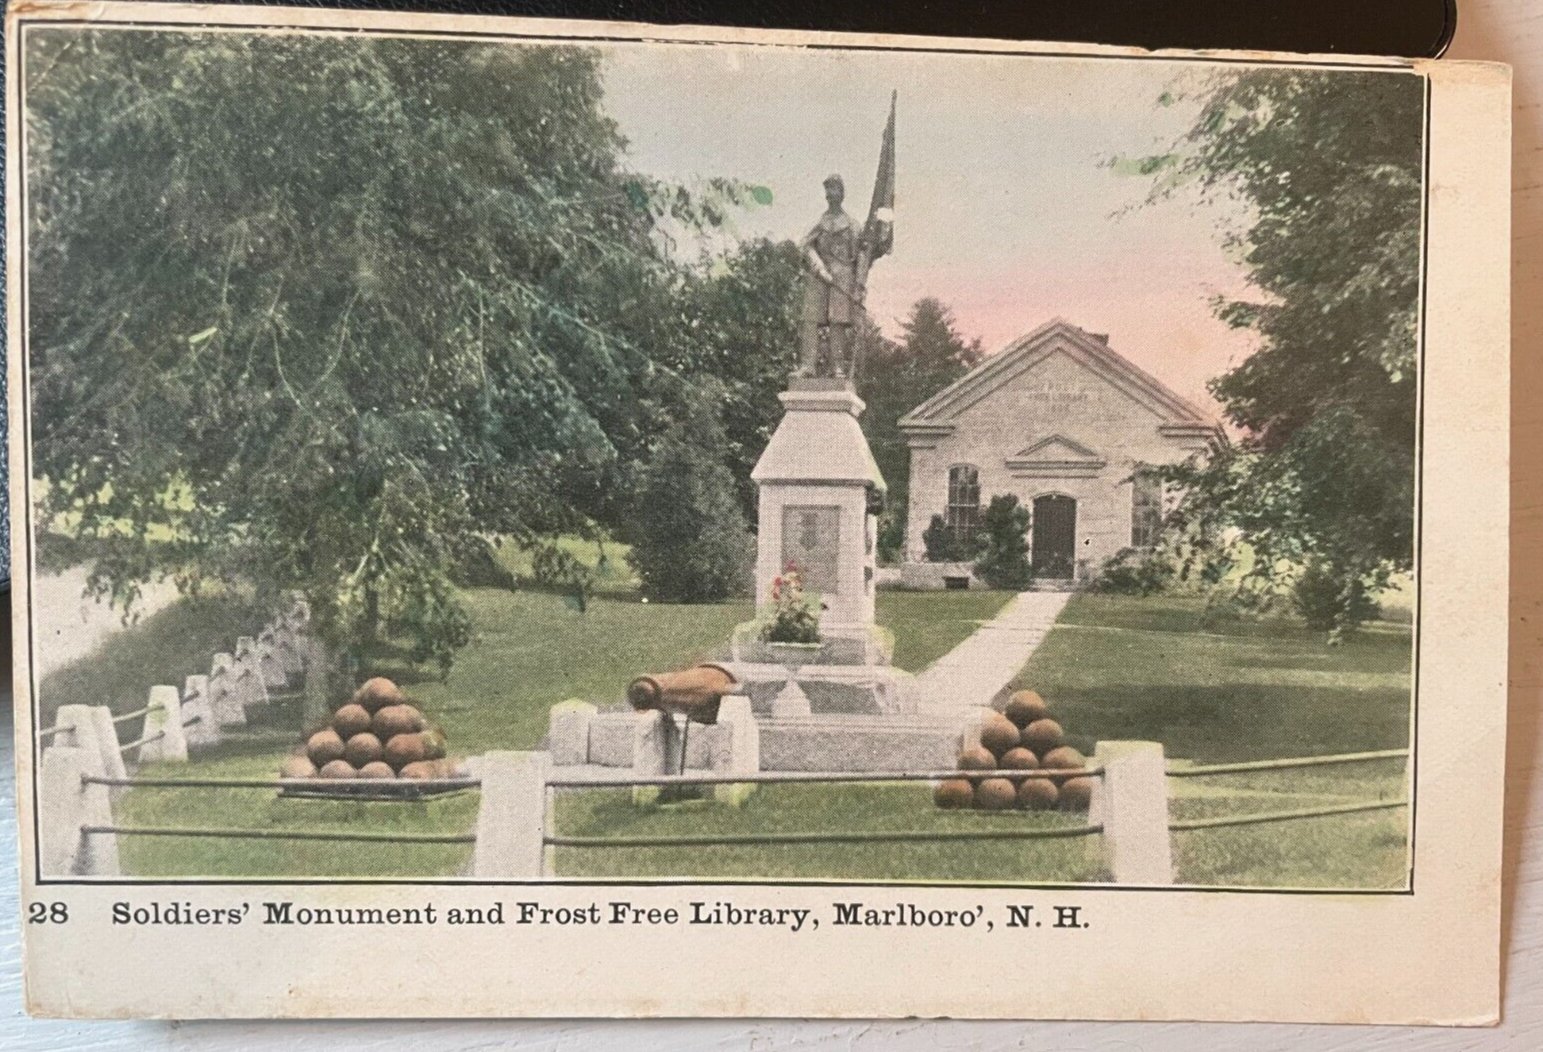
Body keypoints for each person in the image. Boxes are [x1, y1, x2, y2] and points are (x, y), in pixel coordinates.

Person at [798, 174, 874, 379]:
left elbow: (861, 256)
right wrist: (819, 268)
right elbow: (805, 246)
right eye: (828, 191)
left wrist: (858, 286)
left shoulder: (852, 225)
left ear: (842, 194)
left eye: (835, 190)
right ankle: (808, 366)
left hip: (843, 276)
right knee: (810, 318)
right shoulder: (819, 223)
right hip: (819, 276)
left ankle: (837, 367)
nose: (831, 195)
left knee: (837, 321)